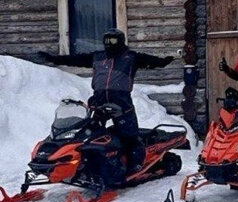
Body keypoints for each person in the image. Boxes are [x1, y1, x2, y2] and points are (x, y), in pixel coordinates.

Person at [38, 28, 175, 174]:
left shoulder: (130, 57)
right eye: (106, 40)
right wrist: (53, 58)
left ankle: (135, 164)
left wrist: (164, 61)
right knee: (91, 134)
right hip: (99, 102)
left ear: (121, 41)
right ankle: (92, 162)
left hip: (121, 103)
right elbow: (74, 60)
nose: (109, 44)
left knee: (130, 135)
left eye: (113, 40)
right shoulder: (98, 57)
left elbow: (151, 61)